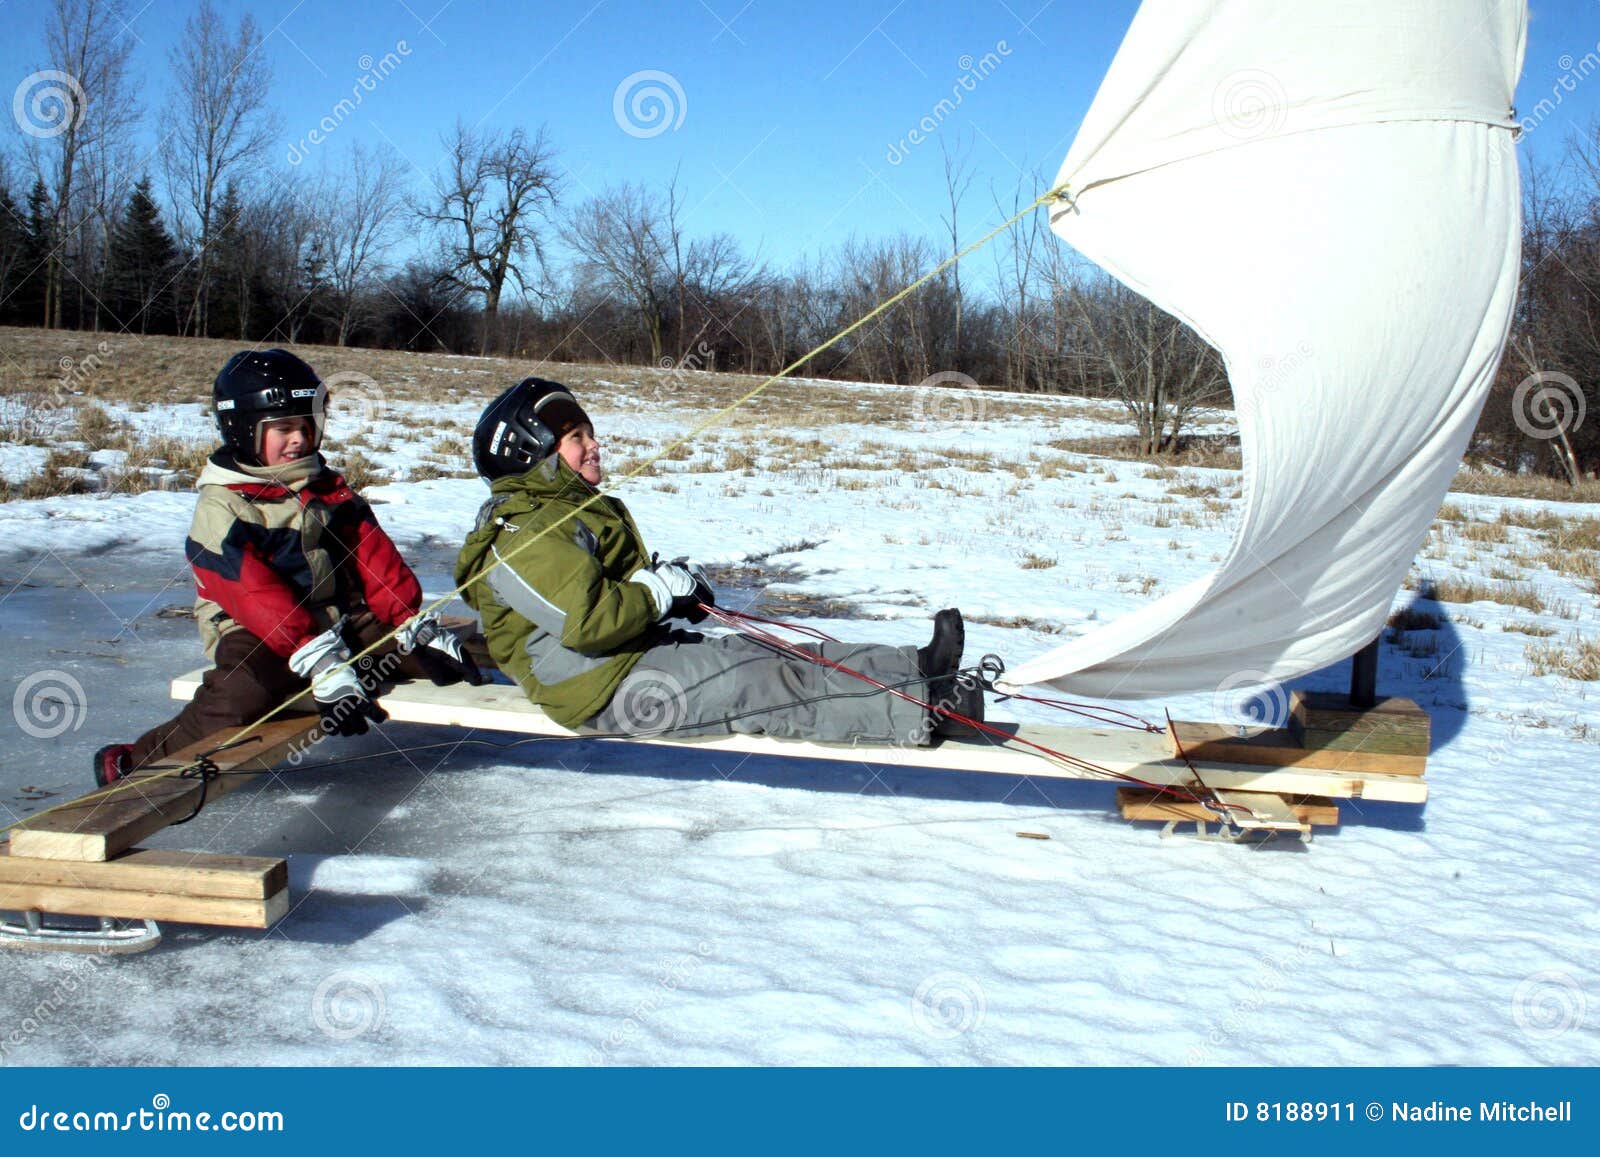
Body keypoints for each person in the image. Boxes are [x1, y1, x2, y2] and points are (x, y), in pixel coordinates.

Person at [454, 377, 985, 747]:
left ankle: (917, 670)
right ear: (534, 453)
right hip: (596, 689)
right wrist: (658, 592)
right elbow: (587, 621)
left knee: (764, 651)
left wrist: (673, 587)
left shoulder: (566, 512)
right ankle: (928, 712)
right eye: (577, 439)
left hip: (626, 657)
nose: (595, 445)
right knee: (755, 684)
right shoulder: (521, 533)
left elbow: (614, 593)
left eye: (589, 433)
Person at [91, 349, 484, 786]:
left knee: (415, 656)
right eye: (283, 429)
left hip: (333, 618)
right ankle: (138, 760)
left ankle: (361, 660)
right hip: (256, 630)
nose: (298, 439)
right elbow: (255, 595)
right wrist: (321, 663)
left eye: (307, 426)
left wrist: (409, 624)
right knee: (246, 693)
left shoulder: (325, 486)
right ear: (243, 430)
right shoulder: (224, 505)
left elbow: (375, 562)